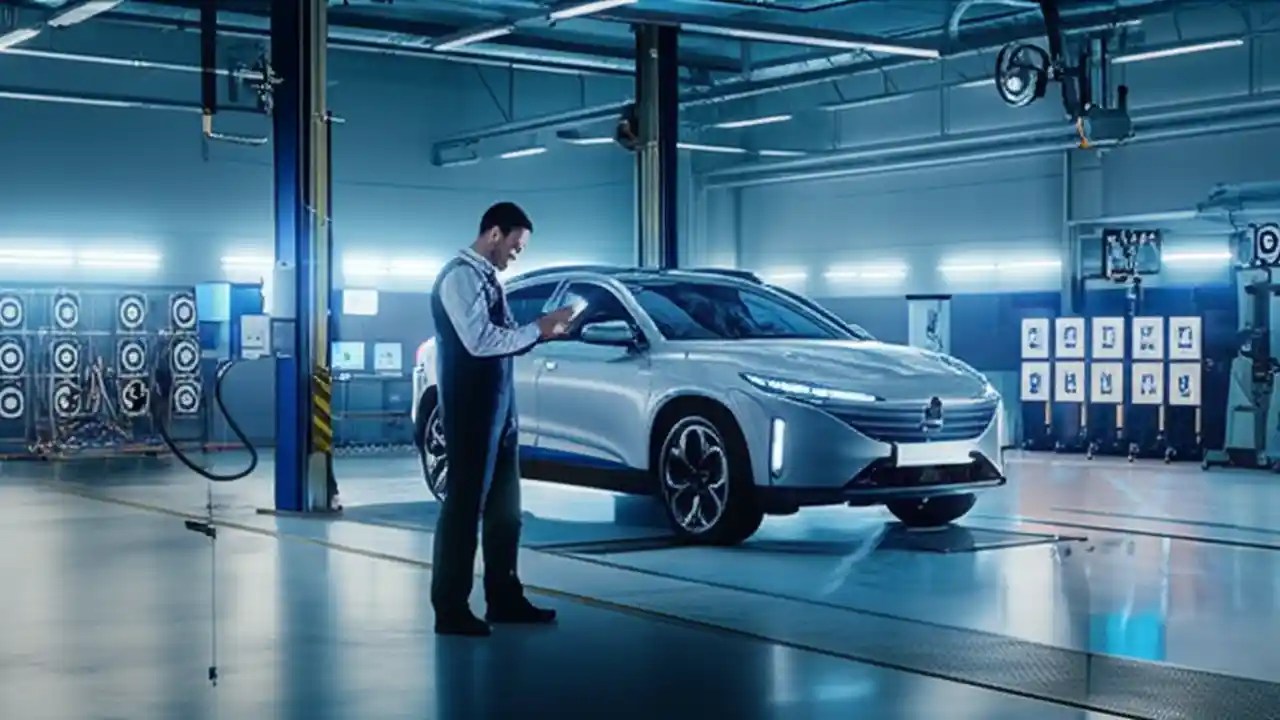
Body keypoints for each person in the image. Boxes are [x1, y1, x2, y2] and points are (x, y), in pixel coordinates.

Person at [430, 201, 575, 636]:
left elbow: (505, 334)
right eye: (516, 245)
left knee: (506, 511)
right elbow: (478, 341)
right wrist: (537, 330)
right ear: (494, 233)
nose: (516, 254)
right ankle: (450, 608)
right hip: (471, 408)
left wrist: (543, 330)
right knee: (464, 508)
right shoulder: (459, 277)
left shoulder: (488, 279)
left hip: (499, 409)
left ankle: (505, 597)